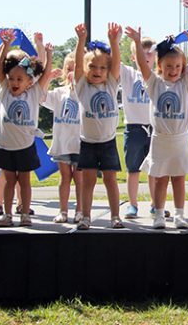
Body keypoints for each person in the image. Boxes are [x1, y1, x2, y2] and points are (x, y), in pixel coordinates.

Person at [127, 25, 188, 229]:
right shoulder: (155, 84)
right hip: (160, 139)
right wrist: (136, 41)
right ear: (159, 65)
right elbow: (143, 66)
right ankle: (159, 215)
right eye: (169, 66)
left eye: (178, 66)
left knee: (179, 180)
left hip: (180, 139)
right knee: (160, 180)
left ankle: (179, 215)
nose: (173, 70)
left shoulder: (186, 84)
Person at [0, 29, 53, 227]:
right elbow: (1, 68)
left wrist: (48, 54)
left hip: (25, 146)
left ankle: (25, 214)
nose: (14, 82)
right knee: (9, 182)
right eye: (12, 78)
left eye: (20, 79)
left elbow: (44, 75)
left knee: (25, 181)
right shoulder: (4, 92)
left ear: (29, 82)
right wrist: (6, 45)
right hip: (5, 146)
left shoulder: (34, 94)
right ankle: (7, 215)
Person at [73, 23, 123, 230]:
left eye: (103, 67)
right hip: (88, 142)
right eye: (92, 66)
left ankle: (115, 216)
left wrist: (114, 42)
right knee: (88, 182)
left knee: (110, 180)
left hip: (108, 142)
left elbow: (117, 63)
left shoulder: (110, 84)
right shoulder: (82, 86)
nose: (97, 71)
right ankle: (85, 216)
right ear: (85, 69)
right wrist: (80, 41)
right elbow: (77, 64)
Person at [41, 53, 83, 224]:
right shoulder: (59, 93)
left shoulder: (86, 93)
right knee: (65, 176)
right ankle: (63, 211)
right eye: (69, 69)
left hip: (80, 143)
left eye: (76, 69)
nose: (72, 72)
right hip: (62, 144)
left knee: (79, 178)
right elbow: (41, 96)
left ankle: (81, 210)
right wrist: (48, 78)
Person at [119, 35, 157, 219]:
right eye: (142, 53)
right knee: (133, 169)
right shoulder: (128, 74)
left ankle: (155, 204)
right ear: (134, 57)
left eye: (150, 53)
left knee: (154, 170)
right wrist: (116, 40)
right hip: (133, 128)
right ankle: (132, 204)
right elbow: (115, 61)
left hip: (154, 129)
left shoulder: (158, 77)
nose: (147, 56)